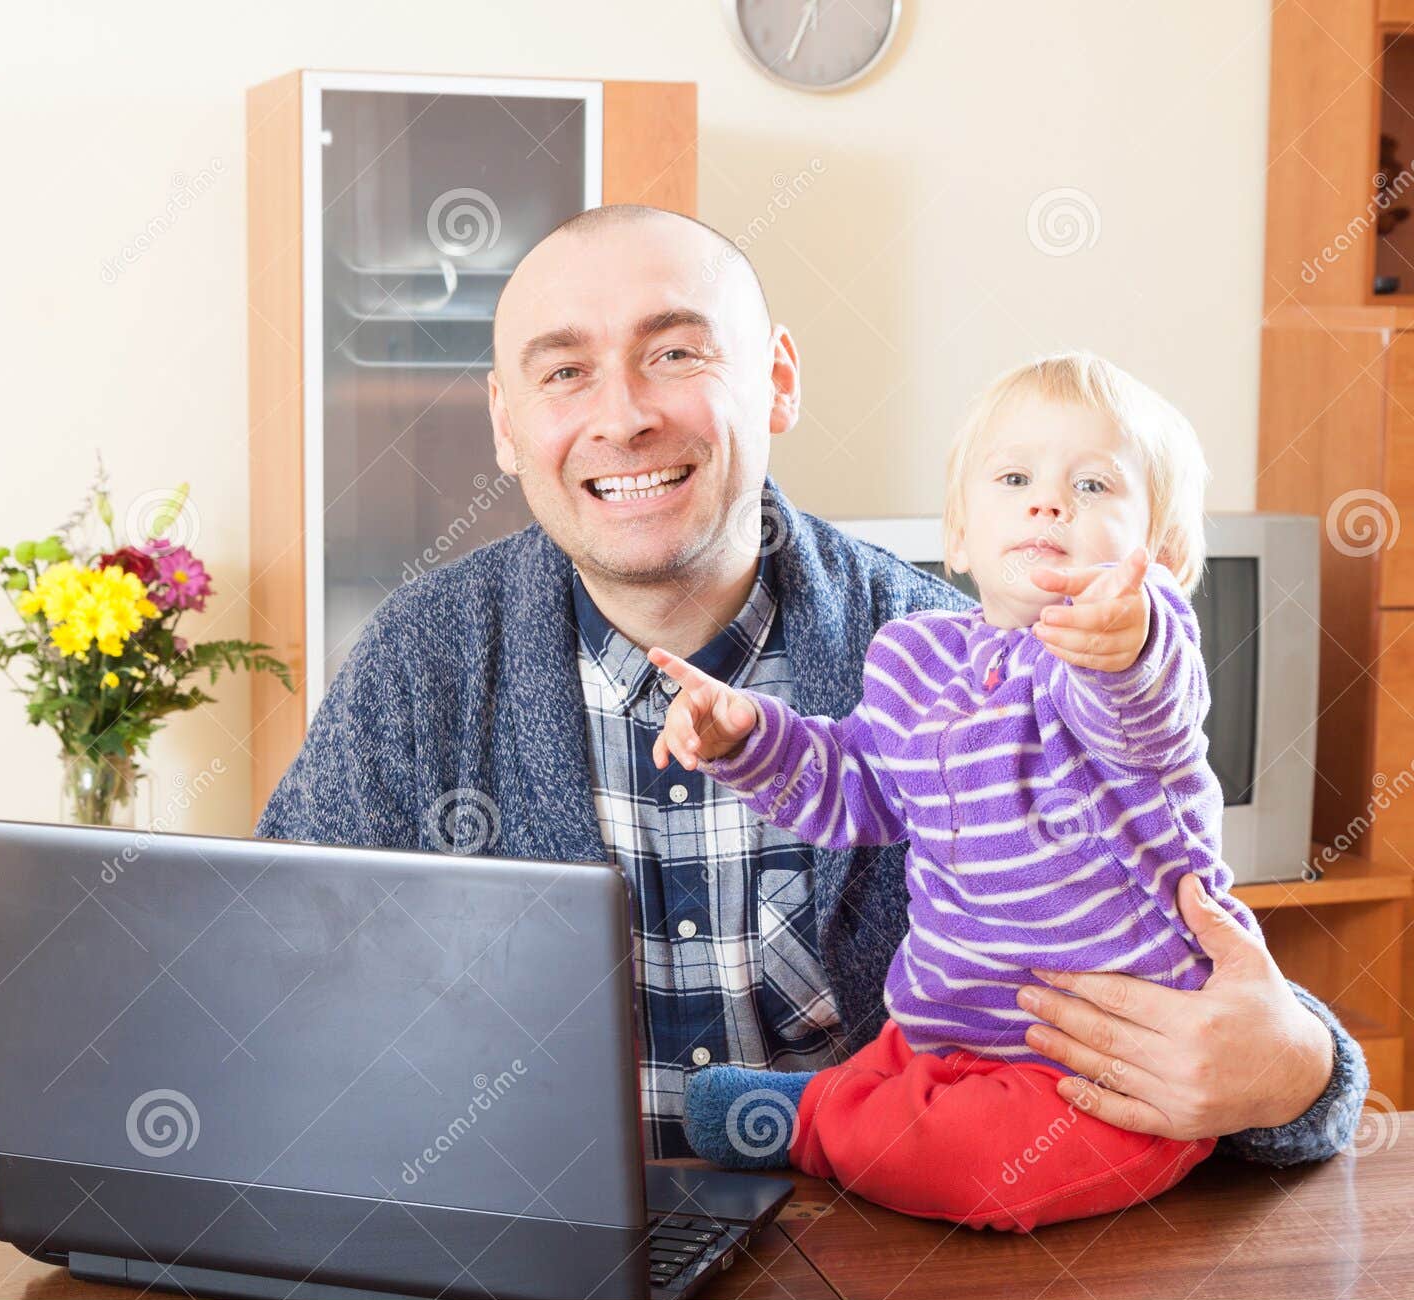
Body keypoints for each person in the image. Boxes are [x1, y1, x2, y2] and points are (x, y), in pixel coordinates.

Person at [255, 204, 1365, 1168]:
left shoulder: (965, 662)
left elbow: (1176, 960)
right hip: (528, 1276)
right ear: (509, 423)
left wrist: (1300, 1073)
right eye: (564, 372)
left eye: (675, 354)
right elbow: (263, 976)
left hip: (881, 1263)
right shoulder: (420, 662)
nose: (623, 413)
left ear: (777, 380)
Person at [658, 352, 1273, 1230]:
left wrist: (1130, 631)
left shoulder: (1121, 669)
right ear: (958, 534)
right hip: (939, 1025)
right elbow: (855, 787)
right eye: (1015, 477)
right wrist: (748, 734)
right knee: (896, 1078)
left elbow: (1147, 700)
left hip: (1115, 1066)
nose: (1049, 502)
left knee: (990, 1174)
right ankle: (830, 1101)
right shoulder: (917, 658)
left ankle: (808, 1120)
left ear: (1162, 554)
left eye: (1094, 485)